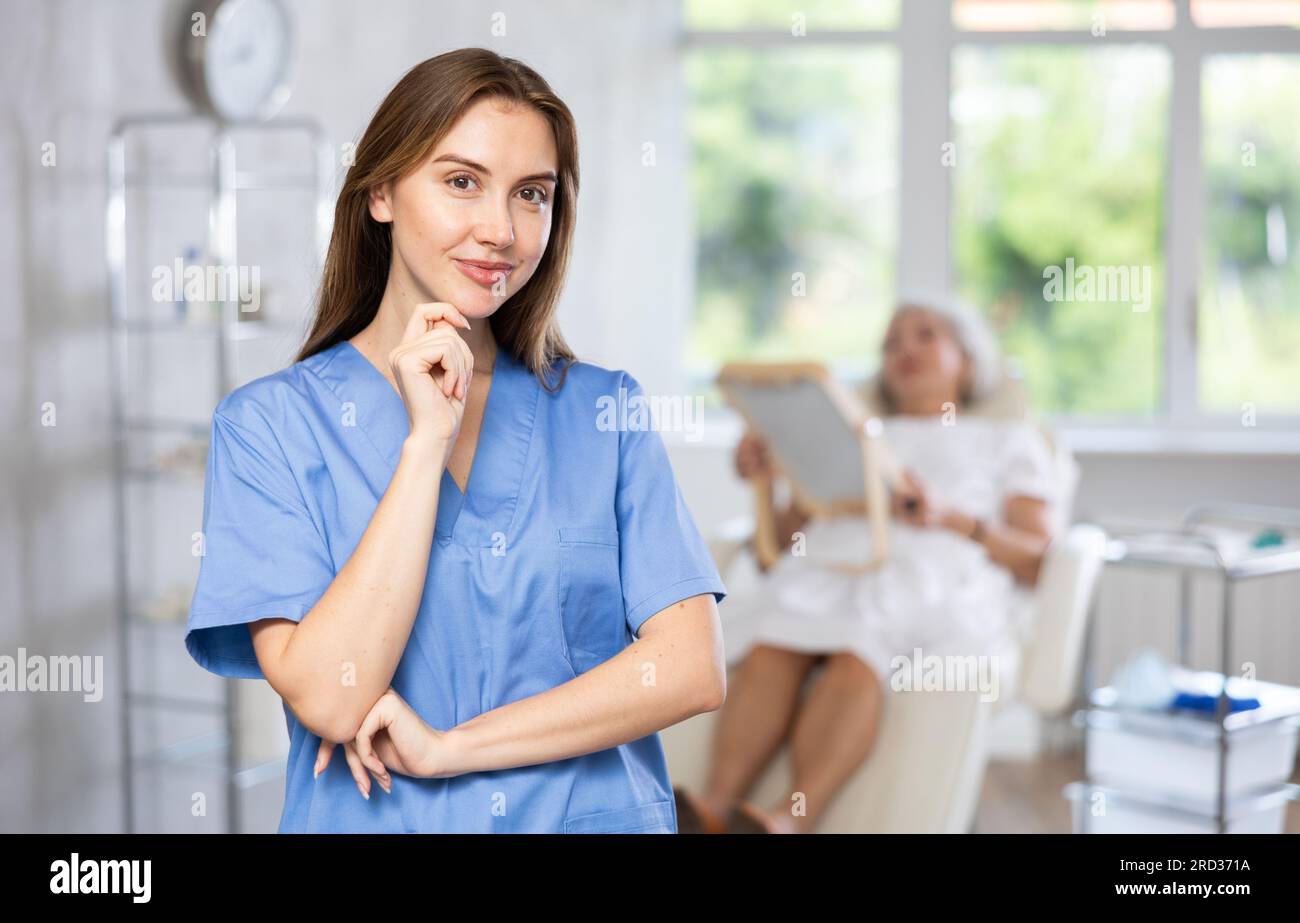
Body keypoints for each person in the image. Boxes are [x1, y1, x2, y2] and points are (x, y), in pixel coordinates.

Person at [185, 48, 727, 834]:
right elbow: (333, 695)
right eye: (461, 181)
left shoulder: (604, 412)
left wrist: (452, 749)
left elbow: (688, 668)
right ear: (380, 191)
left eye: (531, 195)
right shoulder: (269, 426)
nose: (501, 231)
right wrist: (423, 447)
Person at [674, 299, 1058, 833]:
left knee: (860, 642)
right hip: (831, 569)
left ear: (967, 360)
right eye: (892, 342)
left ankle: (789, 819)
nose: (904, 349)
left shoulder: (1006, 440)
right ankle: (716, 807)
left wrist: (952, 518)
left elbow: (1040, 559)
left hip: (929, 574)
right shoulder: (858, 432)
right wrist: (770, 478)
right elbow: (785, 546)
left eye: (925, 335)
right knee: (773, 640)